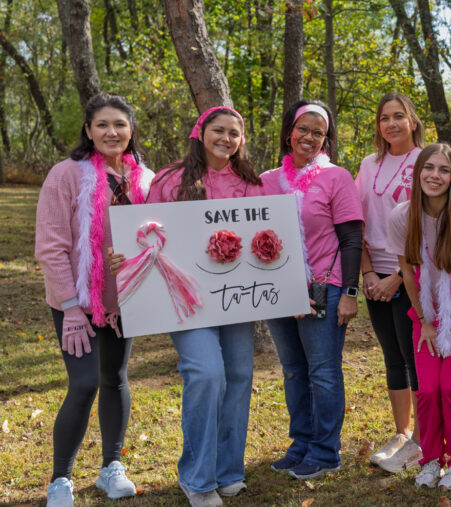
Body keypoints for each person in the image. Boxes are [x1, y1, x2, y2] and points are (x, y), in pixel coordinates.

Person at [35, 93, 154, 507]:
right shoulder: (66, 175)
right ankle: (60, 479)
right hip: (76, 301)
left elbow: (157, 237)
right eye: (102, 124)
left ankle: (110, 468)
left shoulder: (146, 179)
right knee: (84, 383)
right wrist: (69, 306)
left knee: (115, 377)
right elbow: (51, 245)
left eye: (120, 124)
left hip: (123, 298)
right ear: (88, 130)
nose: (112, 132)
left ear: (131, 129)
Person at [147, 106, 262, 507]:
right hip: (188, 300)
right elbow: (144, 236)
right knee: (207, 373)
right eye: (219, 130)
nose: (226, 139)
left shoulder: (252, 183)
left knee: (238, 375)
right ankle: (197, 478)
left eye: (235, 133)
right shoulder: (169, 179)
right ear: (201, 131)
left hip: (236, 299)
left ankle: (228, 470)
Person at [261, 100, 363, 480]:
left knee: (322, 370)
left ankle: (324, 451)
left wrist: (350, 292)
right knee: (293, 370)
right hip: (279, 289)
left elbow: (352, 238)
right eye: (303, 128)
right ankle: (301, 443)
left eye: (318, 132)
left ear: (326, 139)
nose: (309, 137)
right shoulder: (267, 180)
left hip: (326, 287)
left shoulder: (337, 177)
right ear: (289, 130)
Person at [386, 143, 451, 489]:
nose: (435, 176)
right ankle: (430, 459)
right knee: (428, 389)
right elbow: (407, 270)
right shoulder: (402, 215)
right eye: (429, 168)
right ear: (418, 173)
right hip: (425, 315)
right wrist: (426, 321)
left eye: (444, 170)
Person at [355, 93, 425, 473]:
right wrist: (368, 273)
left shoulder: (425, 161)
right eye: (385, 117)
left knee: (414, 356)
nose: (392, 124)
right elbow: (356, 222)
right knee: (392, 357)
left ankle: (422, 440)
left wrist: (399, 278)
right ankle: (401, 433)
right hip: (375, 276)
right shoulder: (368, 165)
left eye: (399, 116)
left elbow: (432, 227)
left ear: (412, 121)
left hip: (412, 274)